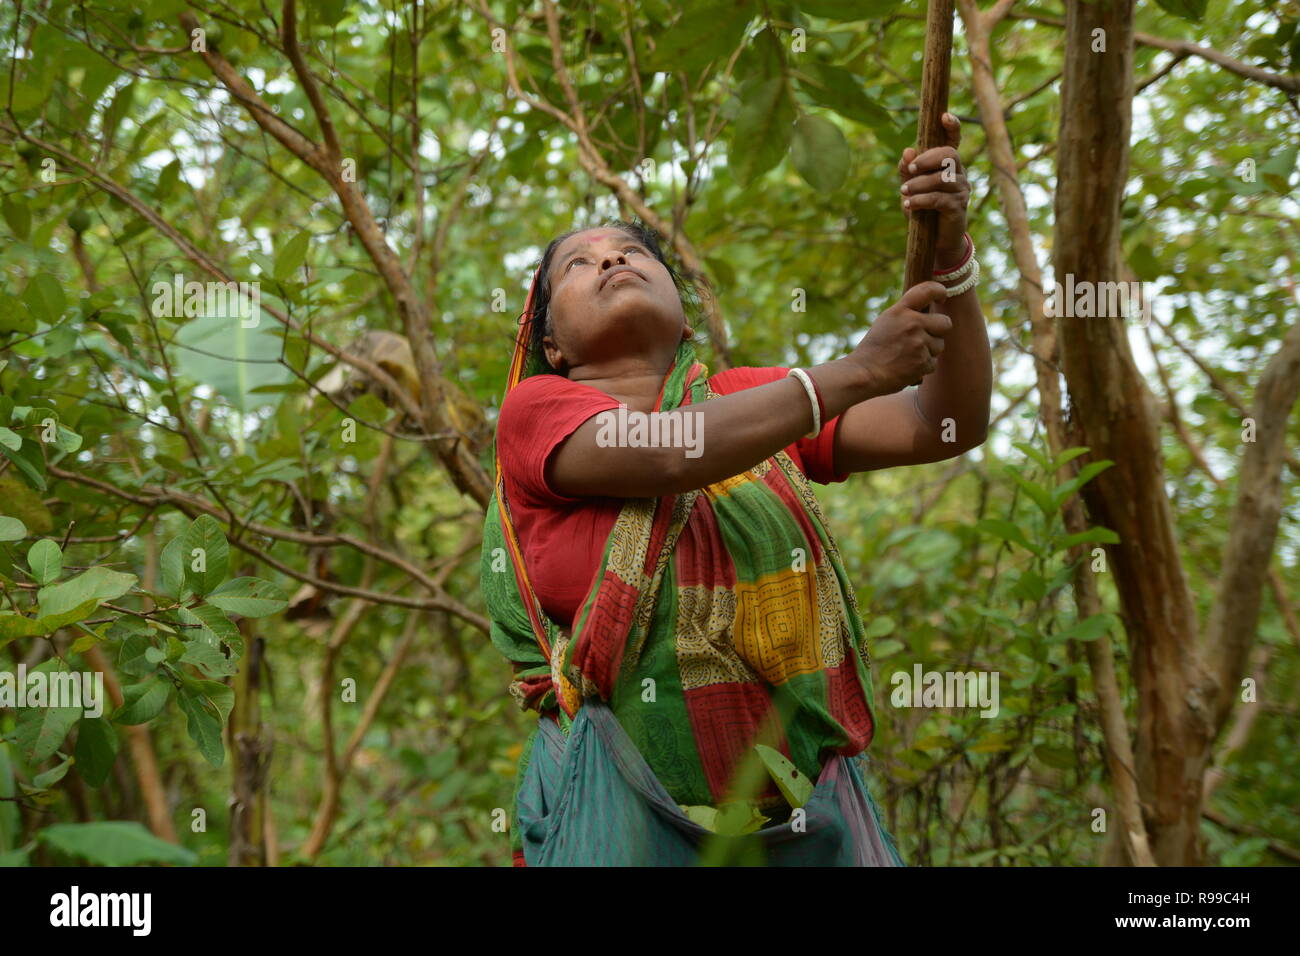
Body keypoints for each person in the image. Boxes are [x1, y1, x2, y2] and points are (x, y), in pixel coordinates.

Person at [481, 114, 990, 865]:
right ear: (552, 342)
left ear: (682, 311)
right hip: (623, 819)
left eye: (630, 251)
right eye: (578, 265)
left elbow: (942, 424)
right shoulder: (536, 413)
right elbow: (665, 454)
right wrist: (852, 373)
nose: (612, 259)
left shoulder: (757, 400)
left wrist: (950, 258)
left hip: (801, 817)